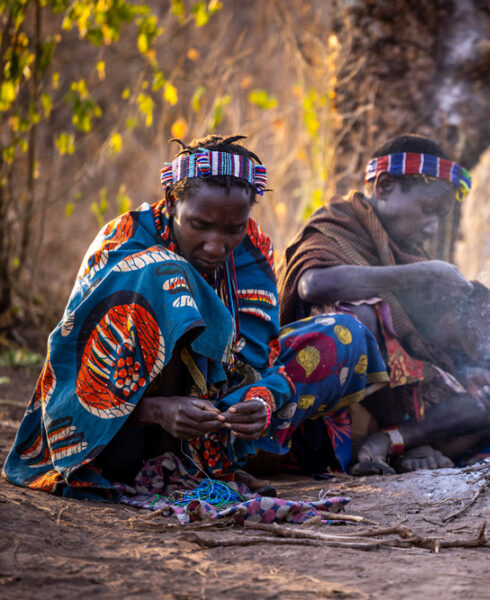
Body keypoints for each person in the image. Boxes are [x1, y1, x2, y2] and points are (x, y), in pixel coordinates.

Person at [2, 134, 387, 499]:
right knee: (168, 276)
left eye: (233, 228)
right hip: (125, 429)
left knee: (342, 334)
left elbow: (258, 359)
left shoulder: (252, 252)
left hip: (211, 424)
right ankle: (175, 463)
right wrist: (157, 410)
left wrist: (259, 401)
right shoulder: (125, 242)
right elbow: (78, 365)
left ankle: (212, 463)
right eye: (199, 225)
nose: (216, 245)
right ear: (171, 203)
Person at [279, 134, 490, 475]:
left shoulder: (406, 253)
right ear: (385, 186)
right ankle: (404, 441)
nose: (433, 226)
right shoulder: (339, 223)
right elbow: (313, 284)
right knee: (359, 315)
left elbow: (432, 351)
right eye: (429, 210)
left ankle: (396, 440)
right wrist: (416, 274)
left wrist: (470, 373)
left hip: (415, 411)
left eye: (441, 217)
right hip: (337, 413)